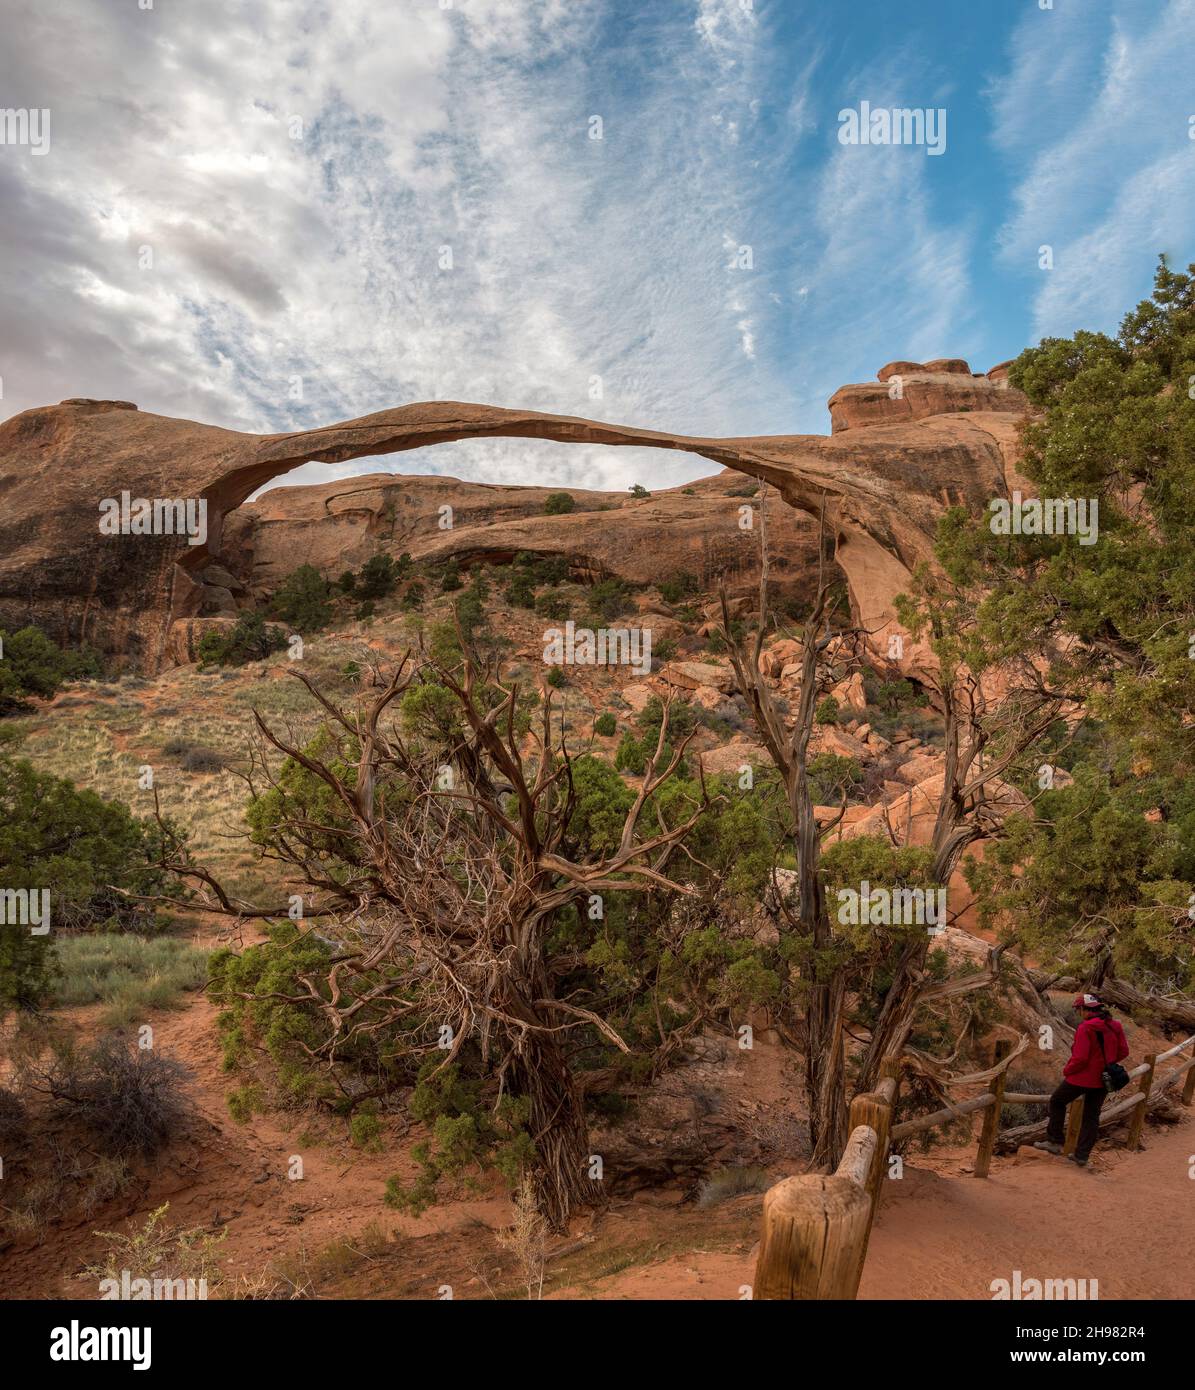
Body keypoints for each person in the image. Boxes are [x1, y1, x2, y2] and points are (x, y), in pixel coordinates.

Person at [1033, 993, 1129, 1166]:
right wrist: (1106, 1063)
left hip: (1082, 1078)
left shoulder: (1086, 1028)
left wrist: (1067, 1070)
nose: (1078, 1013)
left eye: (1078, 1010)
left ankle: (1054, 1141)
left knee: (1057, 1101)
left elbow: (1081, 1058)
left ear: (1085, 1009)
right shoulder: (1115, 1025)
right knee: (1091, 1116)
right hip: (1103, 1080)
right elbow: (1123, 1051)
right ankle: (1081, 1155)